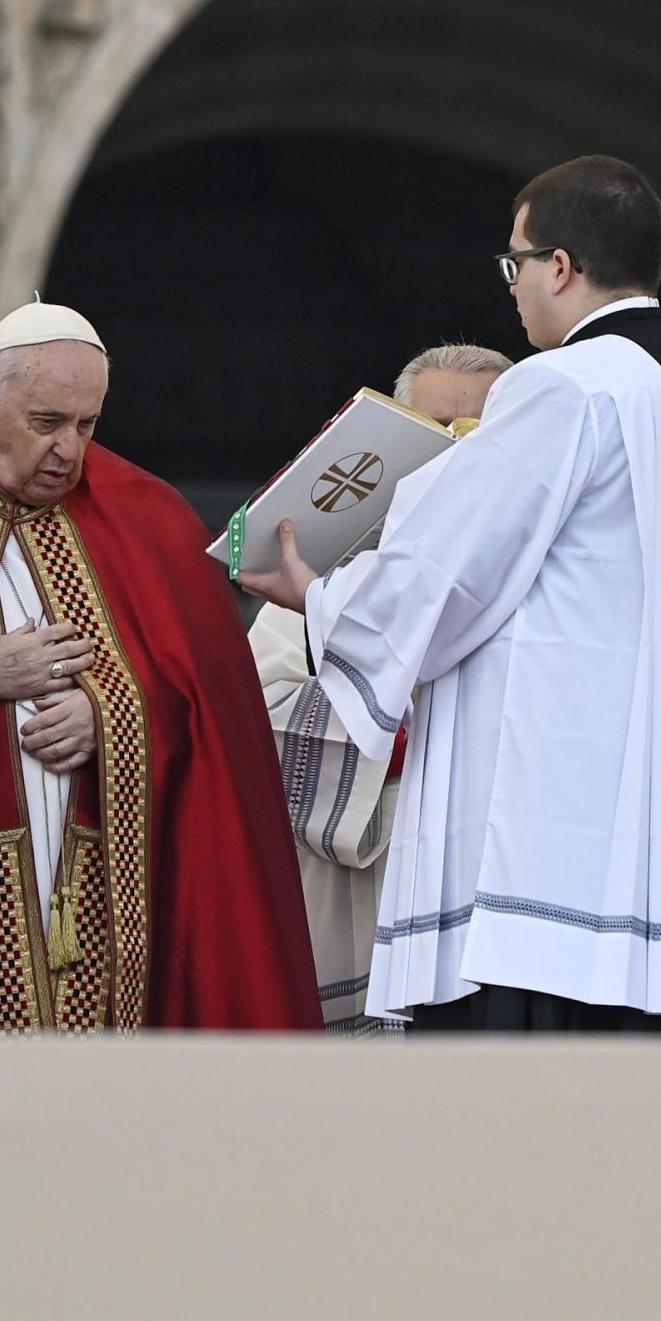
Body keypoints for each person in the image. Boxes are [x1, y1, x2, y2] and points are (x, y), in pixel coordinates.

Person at [243, 155, 661, 1040]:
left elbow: (445, 573)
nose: (512, 285)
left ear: (561, 267)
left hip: (548, 887)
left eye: (516, 262)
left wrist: (314, 592)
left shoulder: (561, 388)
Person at [0, 303, 320, 1032]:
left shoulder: (148, 516)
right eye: (47, 422)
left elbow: (213, 702)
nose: (68, 451)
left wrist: (114, 713)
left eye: (86, 426)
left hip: (102, 879)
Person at [247, 342, 511, 1033]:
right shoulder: (327, 576)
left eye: (479, 433)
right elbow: (261, 719)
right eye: (437, 432)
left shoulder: (540, 576)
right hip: (365, 893)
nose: (456, 455)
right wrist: (412, 723)